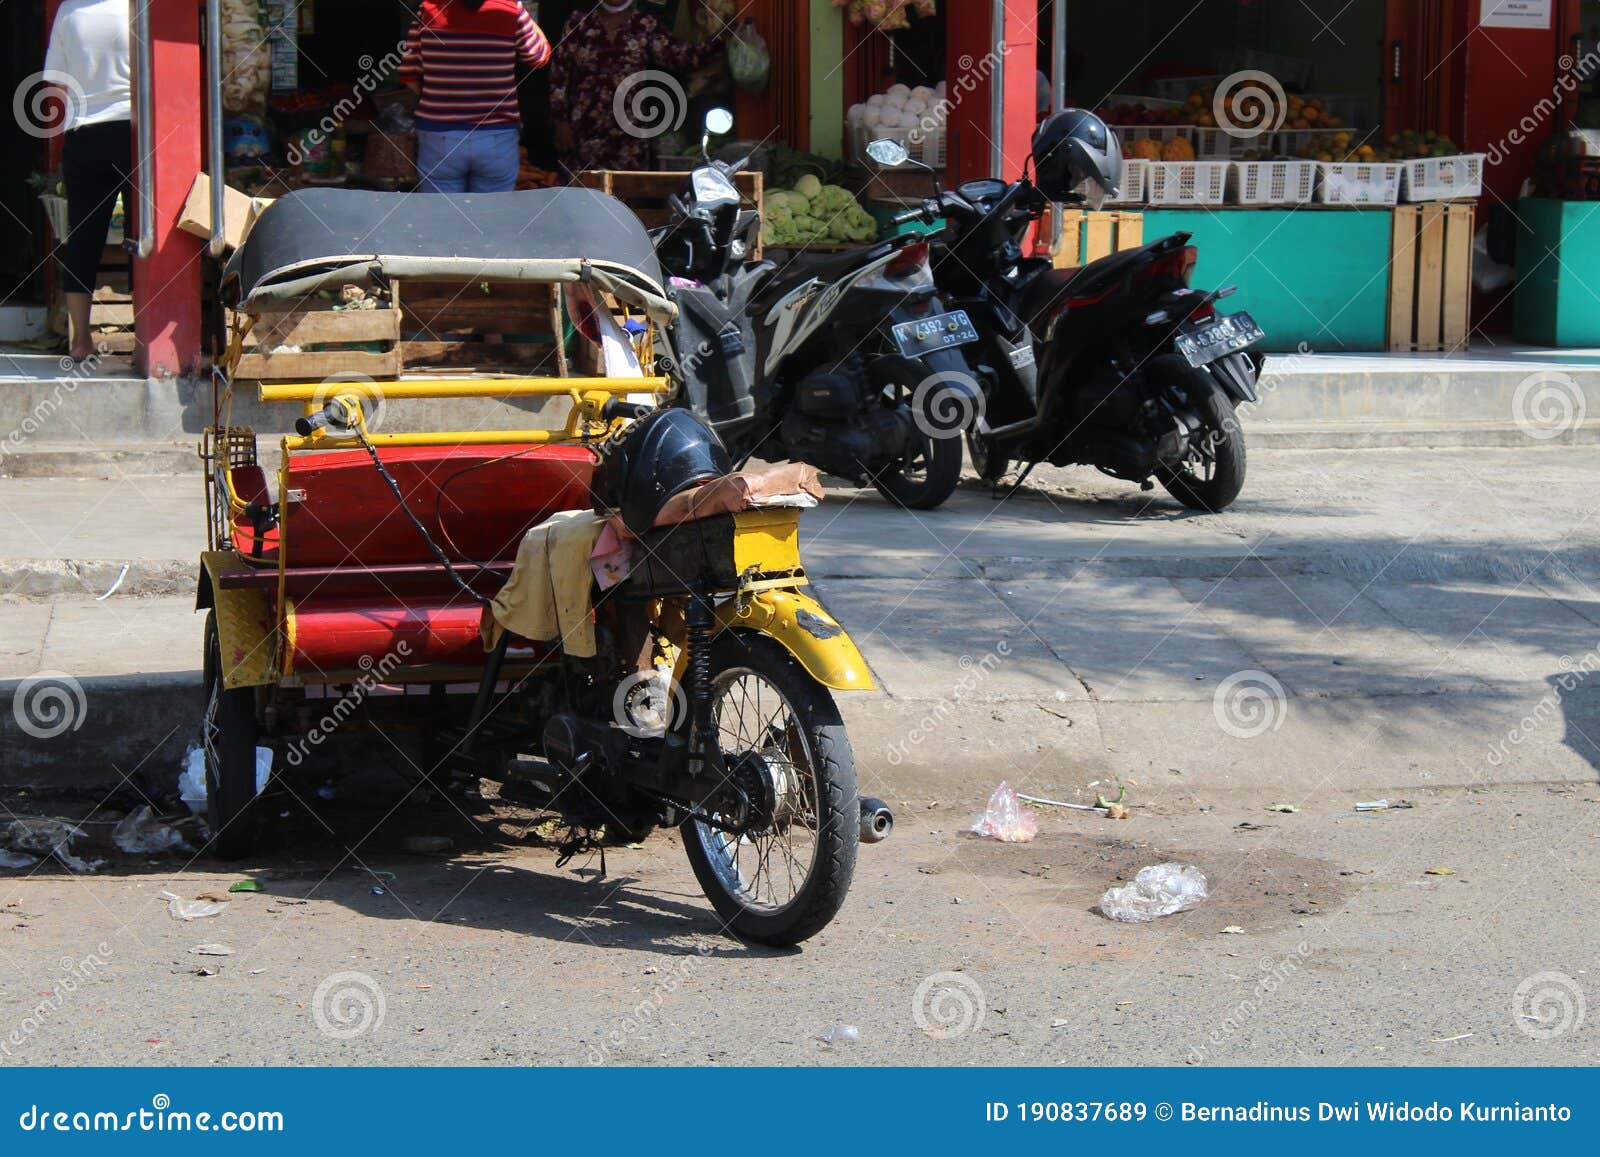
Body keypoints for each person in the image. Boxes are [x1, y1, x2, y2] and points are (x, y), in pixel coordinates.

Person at [44, 0, 132, 362]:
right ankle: (148, 338)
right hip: (133, 130)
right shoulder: (137, 6)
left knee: (83, 238)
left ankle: (81, 340)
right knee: (143, 237)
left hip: (83, 134)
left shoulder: (68, 9)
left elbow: (55, 82)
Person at [549, 0, 727, 174]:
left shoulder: (644, 24)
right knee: (583, 196)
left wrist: (723, 36)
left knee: (628, 196)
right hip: (585, 132)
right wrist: (560, 121)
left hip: (629, 135)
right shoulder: (579, 23)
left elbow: (683, 58)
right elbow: (559, 74)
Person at [397, 0, 552, 193]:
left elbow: (409, 75)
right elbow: (538, 57)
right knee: (489, 219)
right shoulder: (510, 9)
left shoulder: (427, 10)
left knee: (442, 218)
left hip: (440, 136)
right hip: (496, 137)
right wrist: (524, 13)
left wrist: (438, 98)